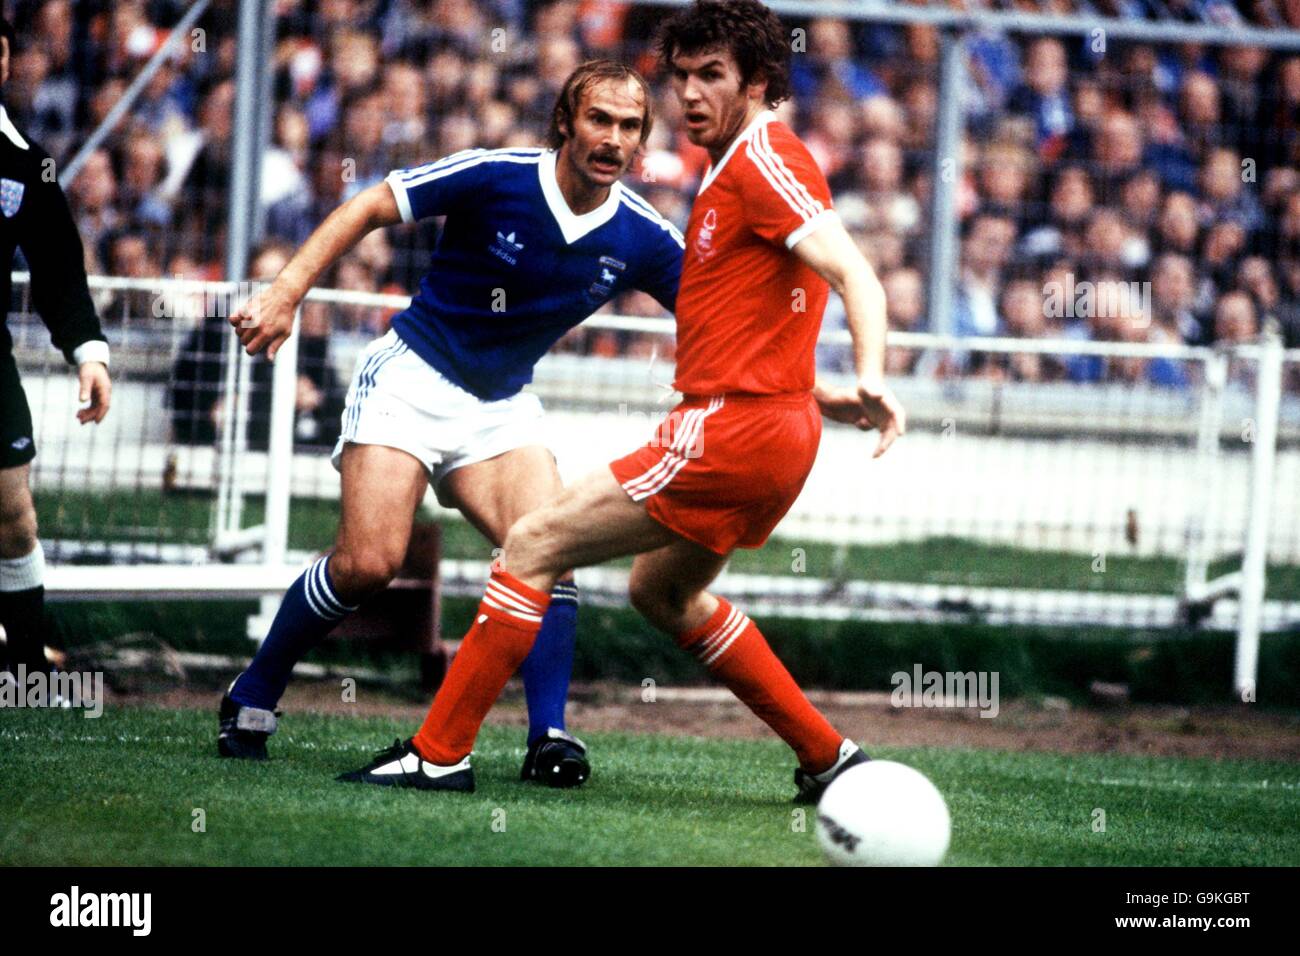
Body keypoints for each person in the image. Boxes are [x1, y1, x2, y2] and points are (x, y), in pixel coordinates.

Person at [340, 0, 905, 802]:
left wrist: (876, 372)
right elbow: (761, 320)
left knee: (533, 542)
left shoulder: (762, 157)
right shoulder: (729, 172)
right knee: (661, 592)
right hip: (778, 426)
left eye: (713, 75)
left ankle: (439, 754)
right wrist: (832, 395)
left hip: (729, 428)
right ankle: (829, 759)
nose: (692, 94)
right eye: (682, 77)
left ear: (759, 82)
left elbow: (855, 273)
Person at [220, 60, 684, 789]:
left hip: (499, 409)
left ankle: (550, 737)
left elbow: (722, 321)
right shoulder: (498, 174)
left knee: (547, 550)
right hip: (410, 377)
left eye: (630, 127)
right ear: (566, 120)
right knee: (368, 564)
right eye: (600, 119)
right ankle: (253, 692)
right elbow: (370, 203)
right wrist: (285, 294)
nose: (613, 139)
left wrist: (805, 389)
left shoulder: (644, 236)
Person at [0, 16, 112, 681]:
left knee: (14, 516)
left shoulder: (23, 160)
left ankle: (22, 672)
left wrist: (88, 352)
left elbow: (58, 267)